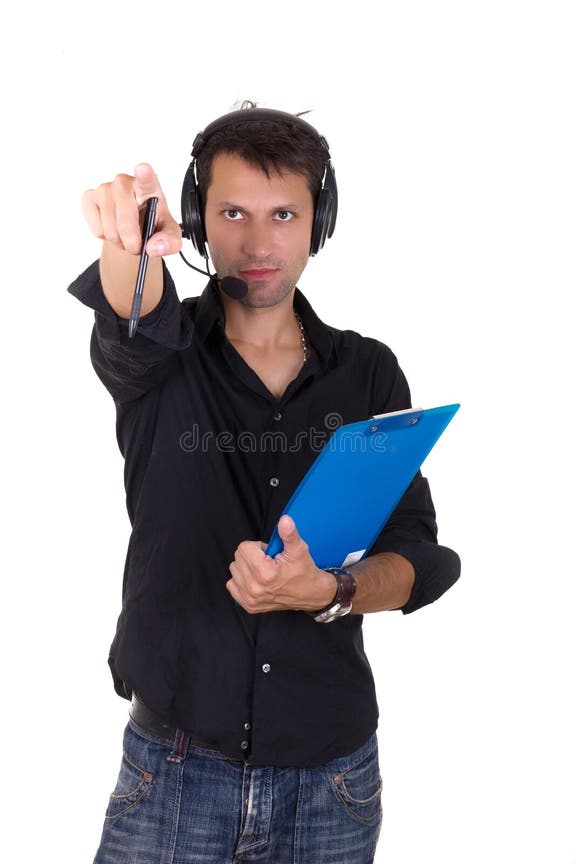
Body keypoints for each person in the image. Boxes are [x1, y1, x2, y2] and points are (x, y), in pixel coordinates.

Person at [69, 104, 460, 864]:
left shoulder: (369, 370)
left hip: (333, 787)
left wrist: (332, 593)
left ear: (320, 221)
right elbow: (131, 319)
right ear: (197, 218)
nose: (256, 242)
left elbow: (420, 552)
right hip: (175, 778)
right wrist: (130, 244)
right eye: (231, 212)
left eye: (283, 213)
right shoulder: (165, 355)